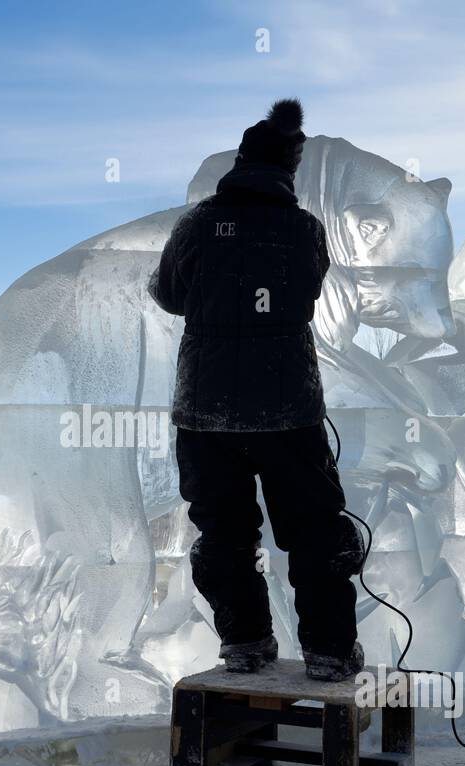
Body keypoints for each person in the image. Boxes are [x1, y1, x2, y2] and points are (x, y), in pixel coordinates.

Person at [148, 98, 365, 680]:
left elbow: (168, 294)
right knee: (315, 530)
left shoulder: (197, 223)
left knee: (223, 531)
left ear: (240, 160)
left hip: (205, 411)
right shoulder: (304, 231)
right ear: (288, 170)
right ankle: (328, 651)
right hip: (288, 409)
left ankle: (244, 643)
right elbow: (306, 295)